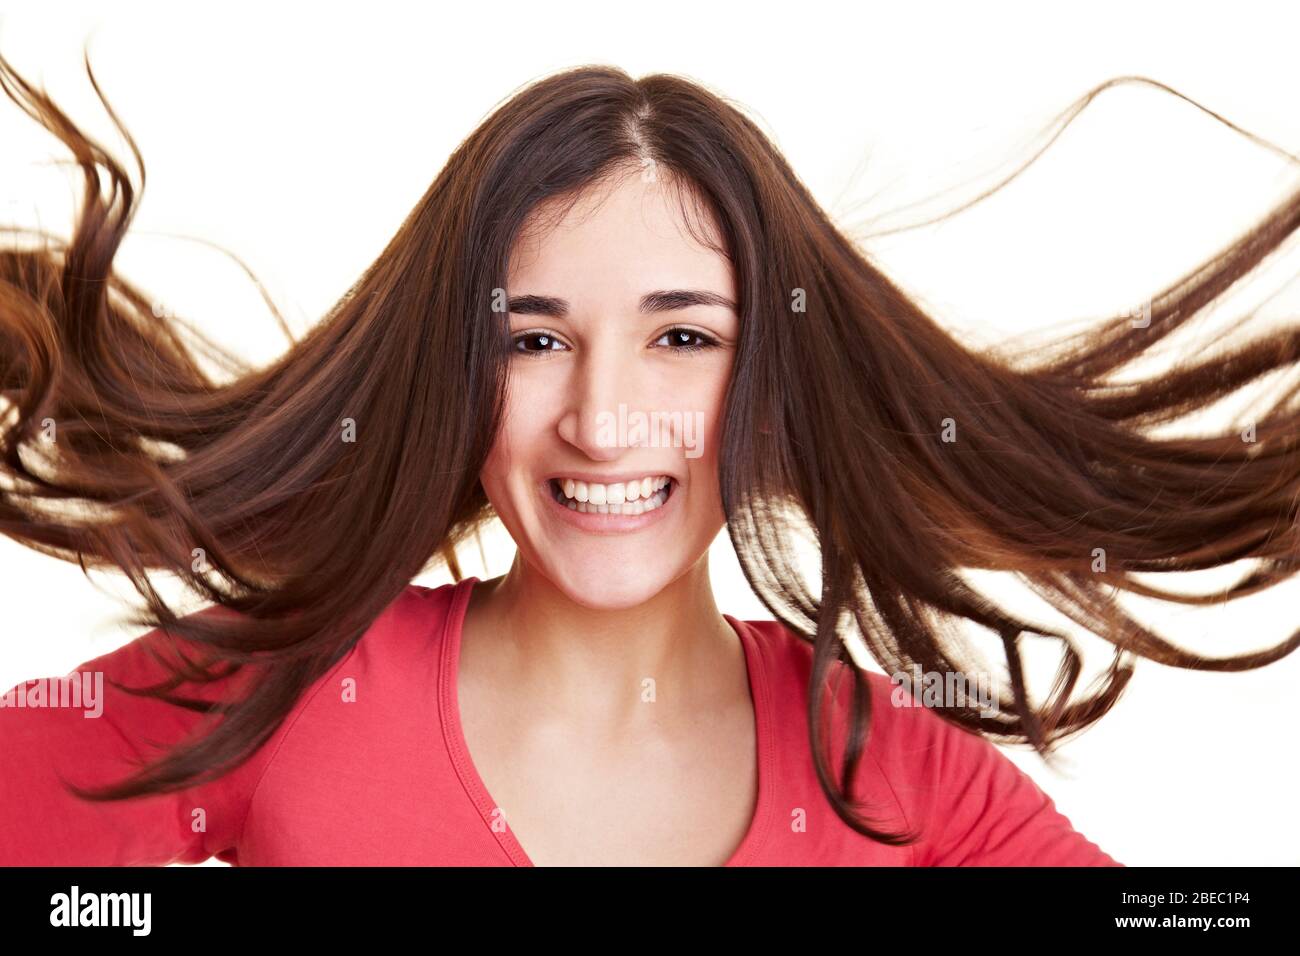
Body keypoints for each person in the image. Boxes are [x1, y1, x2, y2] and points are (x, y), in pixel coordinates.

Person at [1, 57, 1296, 866]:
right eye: (535, 341)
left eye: (683, 336)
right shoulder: (279, 688)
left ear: (770, 377)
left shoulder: (890, 761)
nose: (605, 419)